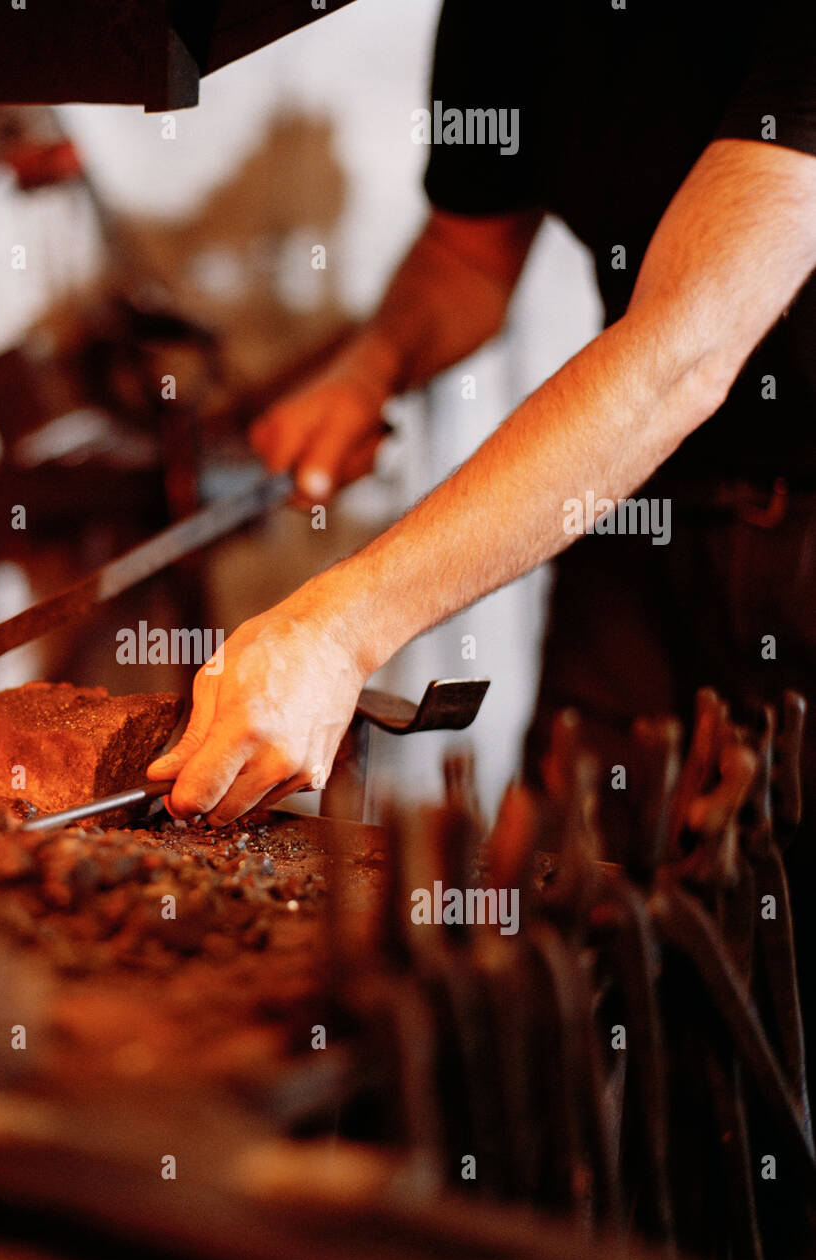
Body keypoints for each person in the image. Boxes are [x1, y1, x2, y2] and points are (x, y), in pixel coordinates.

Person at [149, 0, 816, 851]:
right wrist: (370, 367)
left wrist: (339, 630)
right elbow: (468, 253)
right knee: (574, 909)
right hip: (642, 502)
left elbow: (684, 346)